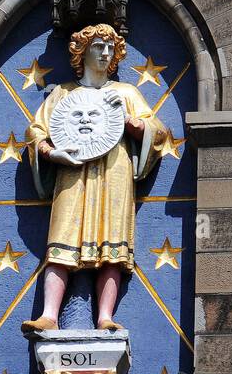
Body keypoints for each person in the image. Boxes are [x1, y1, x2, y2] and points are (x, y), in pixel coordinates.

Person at [21, 24, 172, 333]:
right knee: (61, 240)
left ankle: (105, 317)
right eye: (98, 47)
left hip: (114, 172)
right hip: (72, 170)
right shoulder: (63, 92)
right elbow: (36, 131)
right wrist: (51, 154)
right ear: (81, 52)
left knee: (112, 249)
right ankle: (49, 314)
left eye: (110, 49)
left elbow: (156, 131)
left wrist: (131, 121)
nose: (105, 53)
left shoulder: (126, 93)